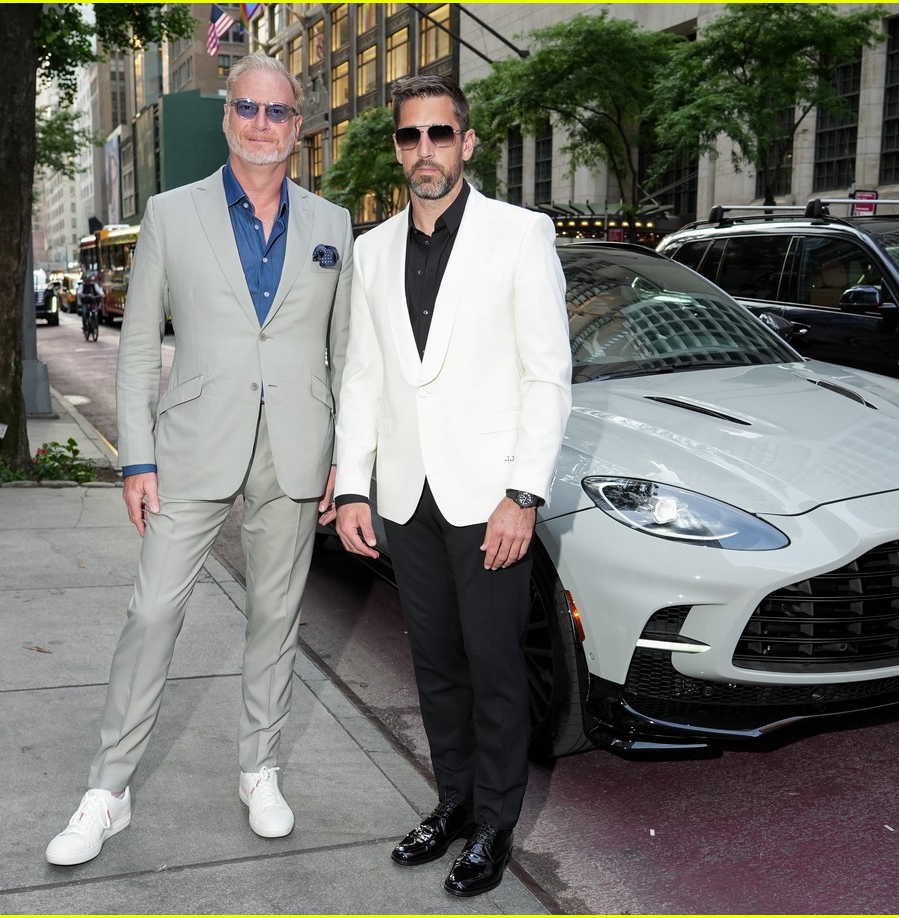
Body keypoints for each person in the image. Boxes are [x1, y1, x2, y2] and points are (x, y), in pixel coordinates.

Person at [46, 52, 353, 866]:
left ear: (298, 127)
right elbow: (140, 342)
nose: (261, 124)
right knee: (152, 613)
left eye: (277, 112)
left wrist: (343, 461)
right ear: (227, 120)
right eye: (247, 109)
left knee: (276, 618)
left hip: (294, 449)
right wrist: (136, 460)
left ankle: (259, 769)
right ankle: (108, 791)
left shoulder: (332, 224)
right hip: (188, 449)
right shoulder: (171, 214)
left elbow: (345, 353)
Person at [330, 75, 571, 898]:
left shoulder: (519, 234)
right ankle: (454, 803)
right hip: (406, 497)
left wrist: (524, 494)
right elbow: (361, 377)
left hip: (491, 500)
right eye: (409, 136)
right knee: (434, 664)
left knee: (495, 665)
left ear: (466, 143)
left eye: (439, 134)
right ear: (397, 148)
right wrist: (353, 486)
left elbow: (548, 377)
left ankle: (495, 827)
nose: (423, 150)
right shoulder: (370, 251)